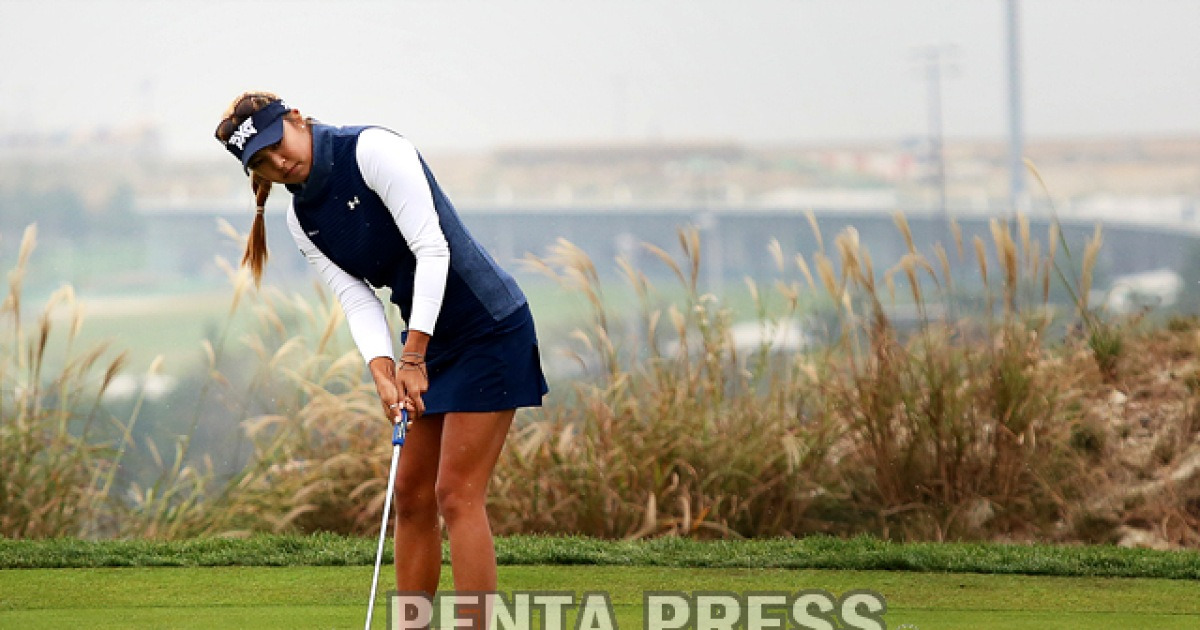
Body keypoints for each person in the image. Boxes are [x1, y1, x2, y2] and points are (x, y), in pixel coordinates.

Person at [214, 91, 548, 603]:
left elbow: (432, 249)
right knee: (411, 497)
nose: (279, 163)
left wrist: (412, 355)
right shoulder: (302, 220)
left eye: (276, 144)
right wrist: (382, 369)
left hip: (489, 329)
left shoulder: (373, 150)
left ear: (297, 119)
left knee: (456, 495)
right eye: (261, 162)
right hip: (428, 337)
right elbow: (357, 296)